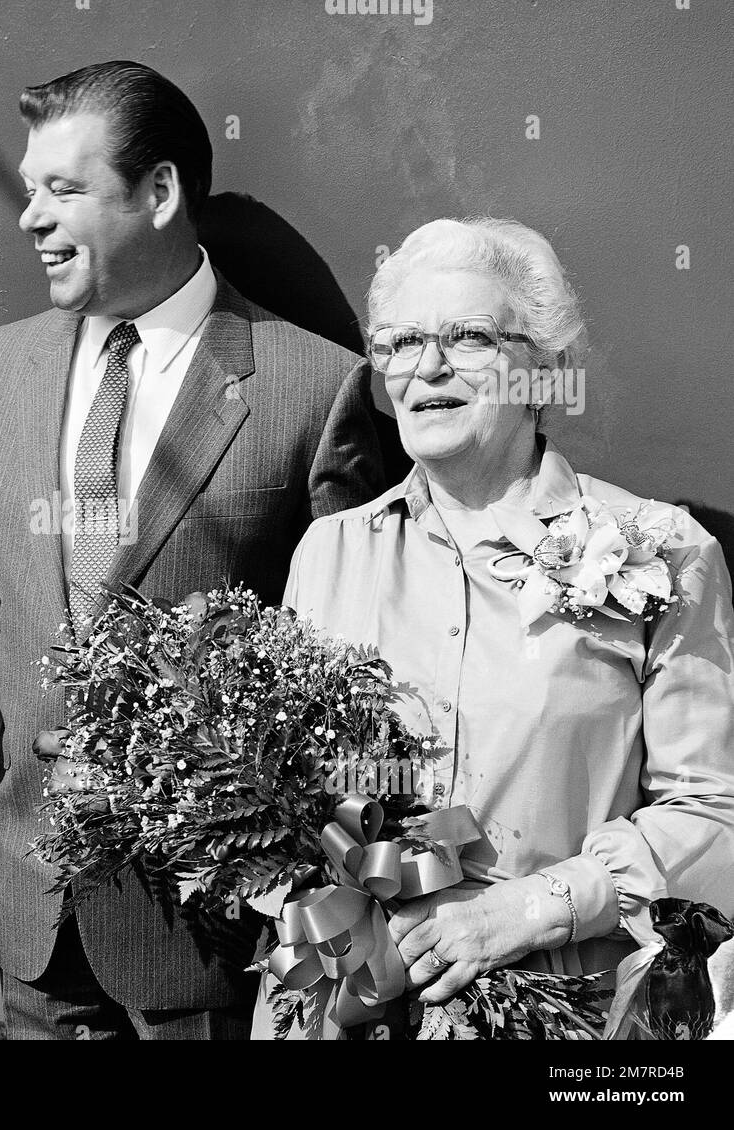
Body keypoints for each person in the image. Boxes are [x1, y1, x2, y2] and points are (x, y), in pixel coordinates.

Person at [0, 61, 385, 1039]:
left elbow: (350, 678)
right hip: (33, 926)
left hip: (209, 938)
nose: (29, 217)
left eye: (63, 189)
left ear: (159, 193)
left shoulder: (316, 389)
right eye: (29, 188)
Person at [264, 217, 734, 1035]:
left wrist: (530, 910)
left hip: (564, 1014)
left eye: (469, 337)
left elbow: (715, 817)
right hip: (346, 1008)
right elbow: (279, 801)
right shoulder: (327, 553)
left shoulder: (663, 554)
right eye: (401, 341)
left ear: (543, 369)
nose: (428, 367)